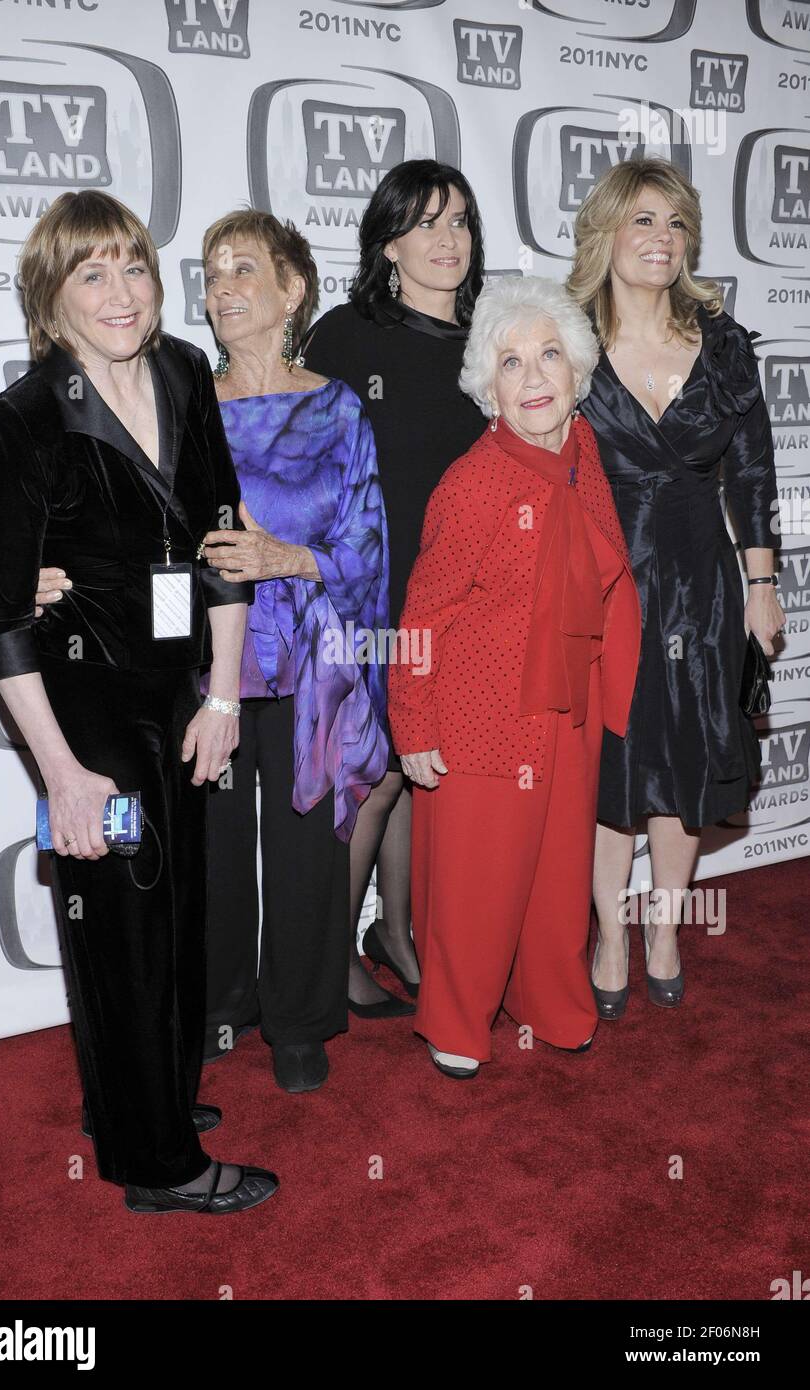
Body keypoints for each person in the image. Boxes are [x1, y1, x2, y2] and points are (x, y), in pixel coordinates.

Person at [0, 190, 277, 1215]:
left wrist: (224, 695)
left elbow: (224, 547)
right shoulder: (21, 418)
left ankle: (141, 1099)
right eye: (90, 272)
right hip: (84, 703)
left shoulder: (188, 373)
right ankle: (158, 1169)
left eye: (133, 266)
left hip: (175, 692)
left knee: (171, 904)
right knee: (126, 913)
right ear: (50, 297)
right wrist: (61, 772)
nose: (119, 291)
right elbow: (3, 620)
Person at [388, 277, 641, 1076]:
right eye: (510, 363)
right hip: (479, 717)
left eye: (549, 357)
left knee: (558, 876)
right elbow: (419, 616)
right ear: (486, 388)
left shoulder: (584, 449)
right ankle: (458, 1023)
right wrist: (414, 727)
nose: (533, 378)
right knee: (478, 884)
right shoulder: (472, 483)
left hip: (566, 707)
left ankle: (549, 1001)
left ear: (578, 373)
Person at [567, 158, 784, 1017]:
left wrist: (762, 586)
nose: (661, 240)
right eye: (643, 221)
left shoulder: (723, 343)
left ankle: (662, 927)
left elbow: (755, 474)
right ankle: (608, 930)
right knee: (615, 765)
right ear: (607, 234)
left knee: (684, 756)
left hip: (701, 578)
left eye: (677, 224)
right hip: (603, 576)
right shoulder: (569, 336)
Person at [187, 210, 390, 1092]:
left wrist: (284, 559)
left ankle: (301, 1020)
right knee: (214, 843)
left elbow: (368, 543)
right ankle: (222, 1006)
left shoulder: (336, 405)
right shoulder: (185, 402)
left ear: (291, 289)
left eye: (242, 270)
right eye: (211, 273)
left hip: (314, 662)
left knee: (307, 846)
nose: (223, 288)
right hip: (212, 664)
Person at [303, 159, 486, 1016]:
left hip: (469, 602)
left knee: (421, 769)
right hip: (374, 596)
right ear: (387, 243)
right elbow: (311, 466)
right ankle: (330, 954)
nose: (445, 239)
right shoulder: (348, 334)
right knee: (376, 776)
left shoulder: (497, 337)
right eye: (423, 222)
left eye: (458, 221)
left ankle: (396, 934)